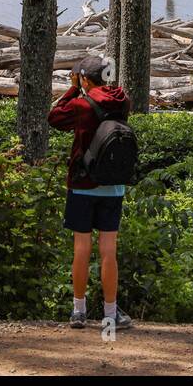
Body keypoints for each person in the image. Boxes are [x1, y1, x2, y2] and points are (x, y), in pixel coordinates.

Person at [47, 56, 134, 332]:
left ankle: (79, 310)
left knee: (81, 247)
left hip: (82, 185)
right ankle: (110, 313)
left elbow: (54, 117)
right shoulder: (123, 101)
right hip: (114, 186)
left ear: (85, 78)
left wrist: (73, 89)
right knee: (109, 249)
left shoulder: (81, 105)